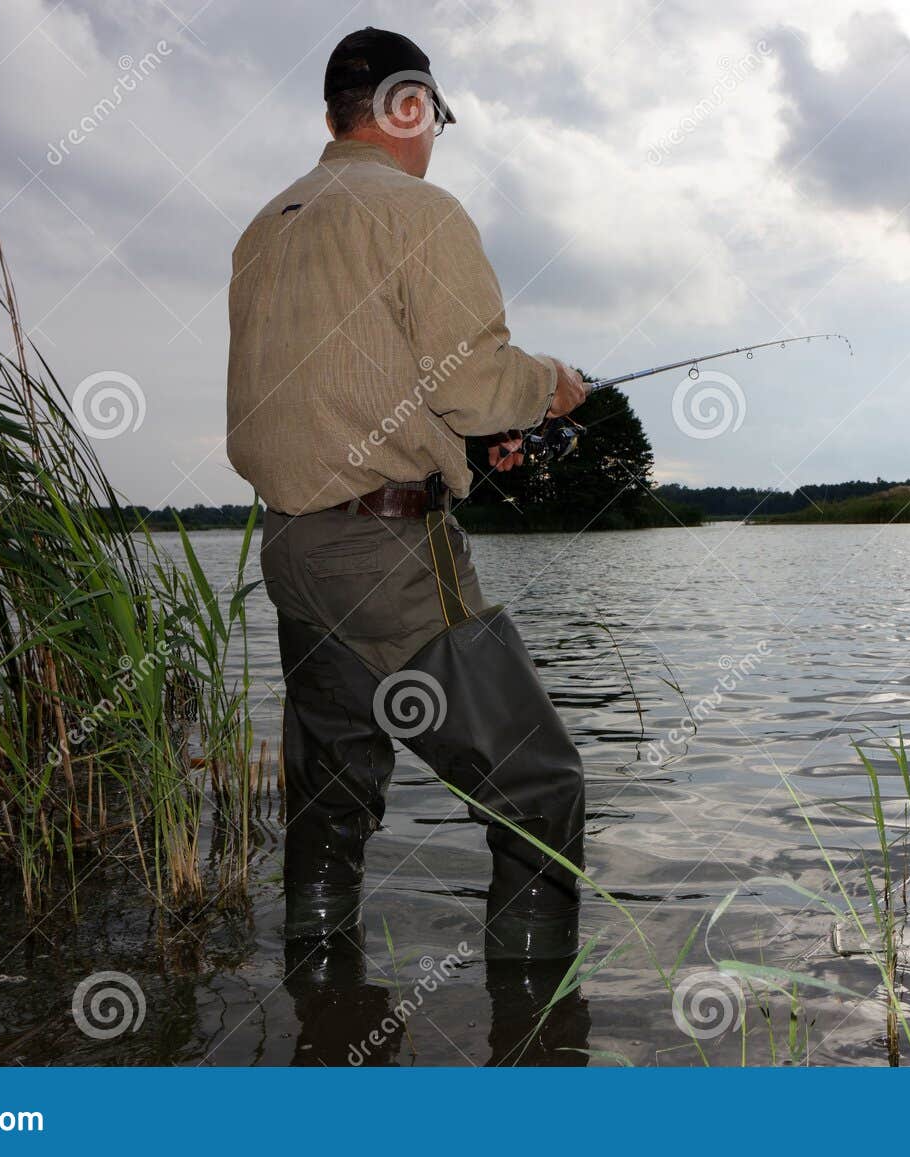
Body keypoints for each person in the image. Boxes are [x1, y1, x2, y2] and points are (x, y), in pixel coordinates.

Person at [226, 27, 590, 961]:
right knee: (539, 785)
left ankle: (320, 986)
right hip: (389, 561)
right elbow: (475, 380)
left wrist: (460, 437)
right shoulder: (419, 211)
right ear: (409, 106)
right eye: (434, 118)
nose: (433, 139)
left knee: (332, 796)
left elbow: (353, 383)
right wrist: (546, 385)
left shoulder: (264, 229)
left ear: (330, 118)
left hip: (294, 555)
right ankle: (537, 1015)